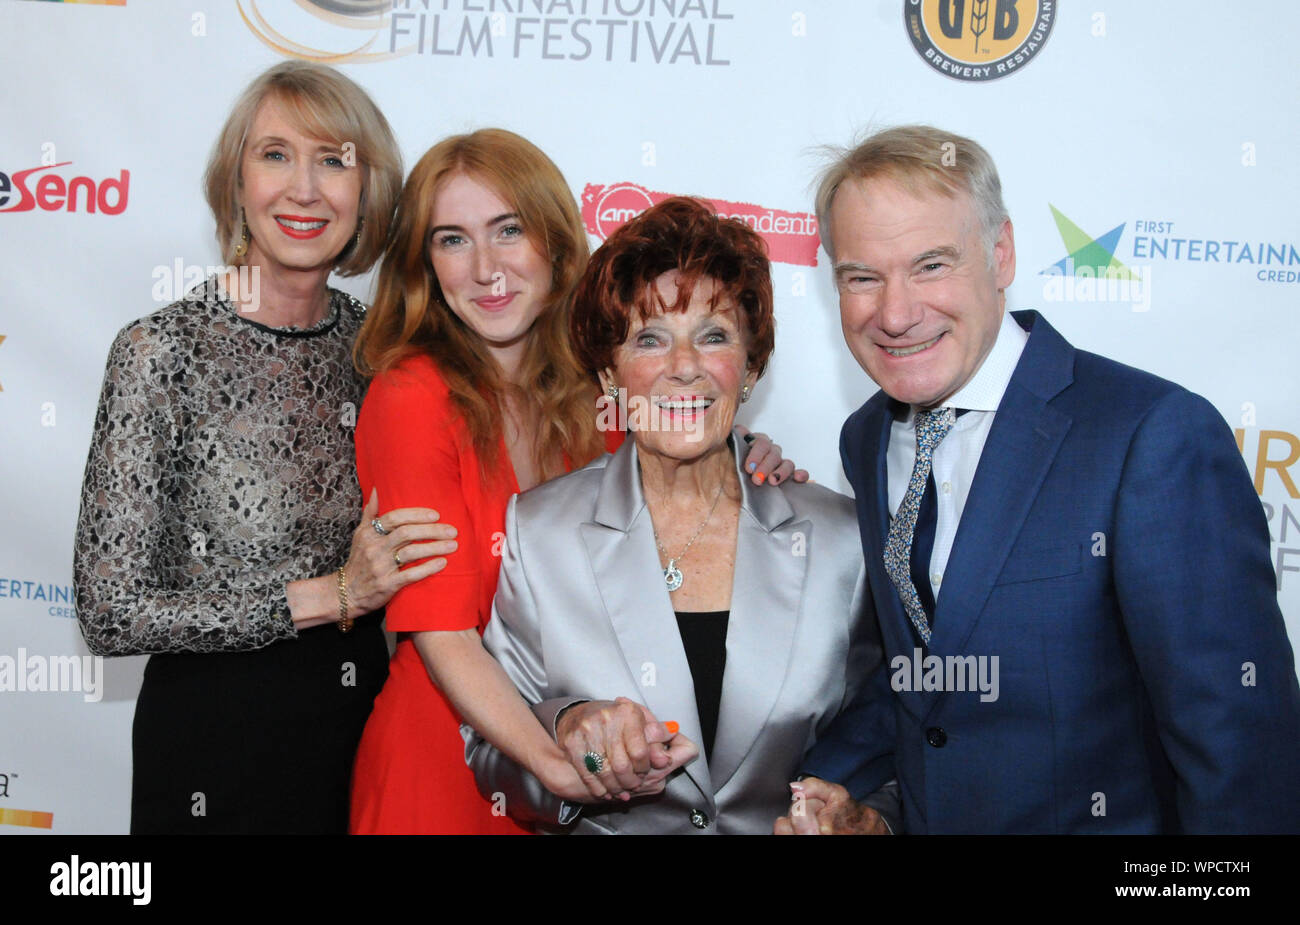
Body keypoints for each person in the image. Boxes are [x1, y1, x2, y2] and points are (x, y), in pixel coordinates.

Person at [775, 124, 1300, 834]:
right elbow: (927, 674)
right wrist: (821, 784)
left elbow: (1236, 744)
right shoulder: (867, 435)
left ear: (1001, 254)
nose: (895, 313)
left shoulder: (1151, 434)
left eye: (931, 265)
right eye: (862, 276)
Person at [346, 134, 801, 834]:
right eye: (452, 240)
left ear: (555, 243)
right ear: (426, 265)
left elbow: (677, 462)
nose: (486, 268)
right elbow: (444, 633)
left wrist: (746, 457)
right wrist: (554, 767)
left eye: (508, 230)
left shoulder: (597, 398)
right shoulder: (411, 395)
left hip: (592, 786)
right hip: (450, 764)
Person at [73, 62, 454, 834]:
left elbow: (519, 409)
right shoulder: (161, 351)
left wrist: (739, 457)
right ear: (236, 183)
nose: (305, 189)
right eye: (276, 155)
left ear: (367, 191)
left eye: (334, 160)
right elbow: (110, 613)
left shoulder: (379, 348)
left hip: (360, 728)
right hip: (214, 746)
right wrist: (334, 595)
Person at [462, 196, 897, 834]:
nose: (685, 367)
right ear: (610, 373)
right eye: (650, 339)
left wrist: (870, 821)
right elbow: (490, 754)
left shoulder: (841, 540)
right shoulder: (541, 530)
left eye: (714, 336)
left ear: (750, 367)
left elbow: (896, 740)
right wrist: (570, 735)